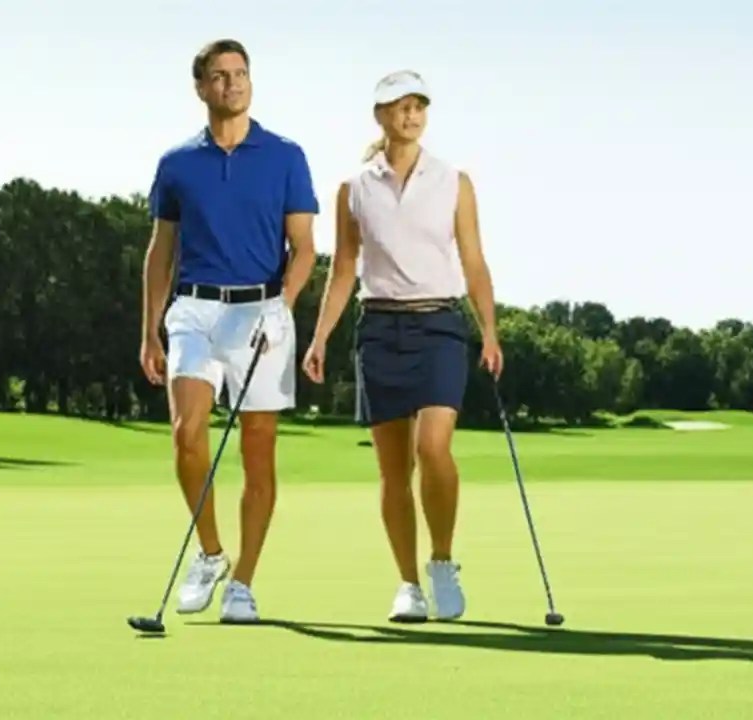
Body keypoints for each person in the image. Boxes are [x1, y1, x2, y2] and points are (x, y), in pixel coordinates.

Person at [302, 69, 502, 622]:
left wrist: (489, 329)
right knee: (393, 471)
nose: (411, 115)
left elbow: (474, 260)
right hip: (379, 328)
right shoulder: (354, 189)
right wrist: (319, 337)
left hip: (440, 324)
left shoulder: (453, 181)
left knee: (433, 448)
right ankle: (408, 584)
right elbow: (343, 271)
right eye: (400, 106)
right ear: (380, 116)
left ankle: (442, 561)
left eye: (419, 106)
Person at [139, 38, 318, 623]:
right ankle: (210, 553)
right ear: (200, 88)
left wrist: (282, 307)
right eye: (219, 76)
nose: (232, 85)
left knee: (258, 450)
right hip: (193, 309)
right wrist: (149, 331)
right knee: (187, 434)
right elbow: (160, 250)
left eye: (240, 74)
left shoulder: (286, 155)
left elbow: (304, 248)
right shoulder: (176, 163)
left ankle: (244, 581)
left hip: (261, 311)